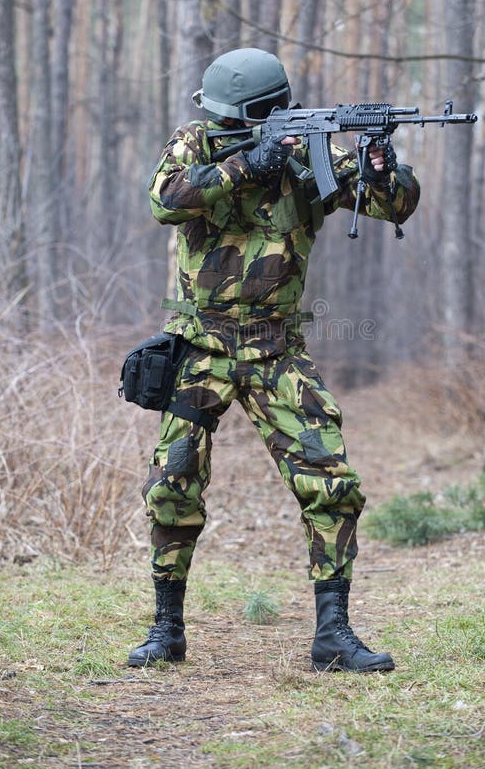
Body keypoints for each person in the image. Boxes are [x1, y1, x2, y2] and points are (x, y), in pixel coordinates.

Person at [128, 48, 420, 672]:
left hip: (276, 348)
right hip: (199, 344)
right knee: (173, 483)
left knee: (330, 479)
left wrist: (381, 162)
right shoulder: (195, 143)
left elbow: (395, 204)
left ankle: (333, 634)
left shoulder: (306, 155)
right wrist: (244, 163)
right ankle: (165, 628)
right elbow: (165, 199)